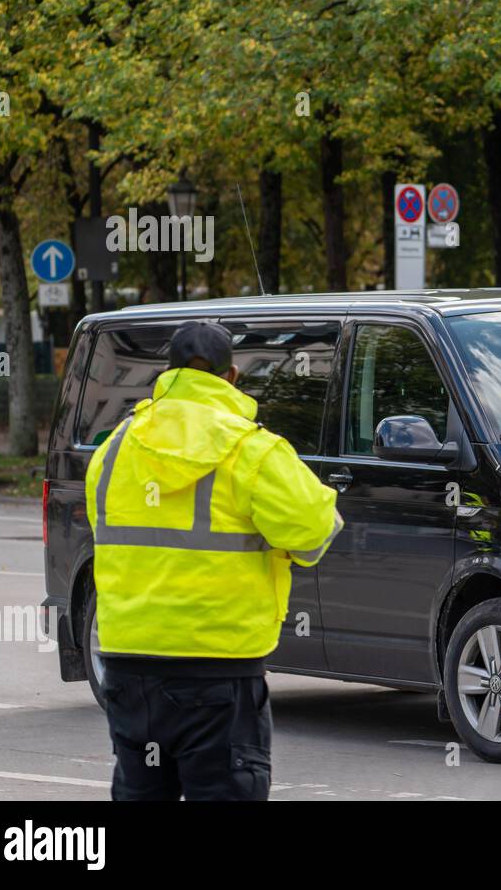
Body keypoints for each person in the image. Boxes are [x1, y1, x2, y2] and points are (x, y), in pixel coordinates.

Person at [86, 320, 343, 799]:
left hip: (127, 669)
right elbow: (315, 533)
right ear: (231, 378)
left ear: (169, 372)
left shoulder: (115, 448)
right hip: (217, 674)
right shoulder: (253, 449)